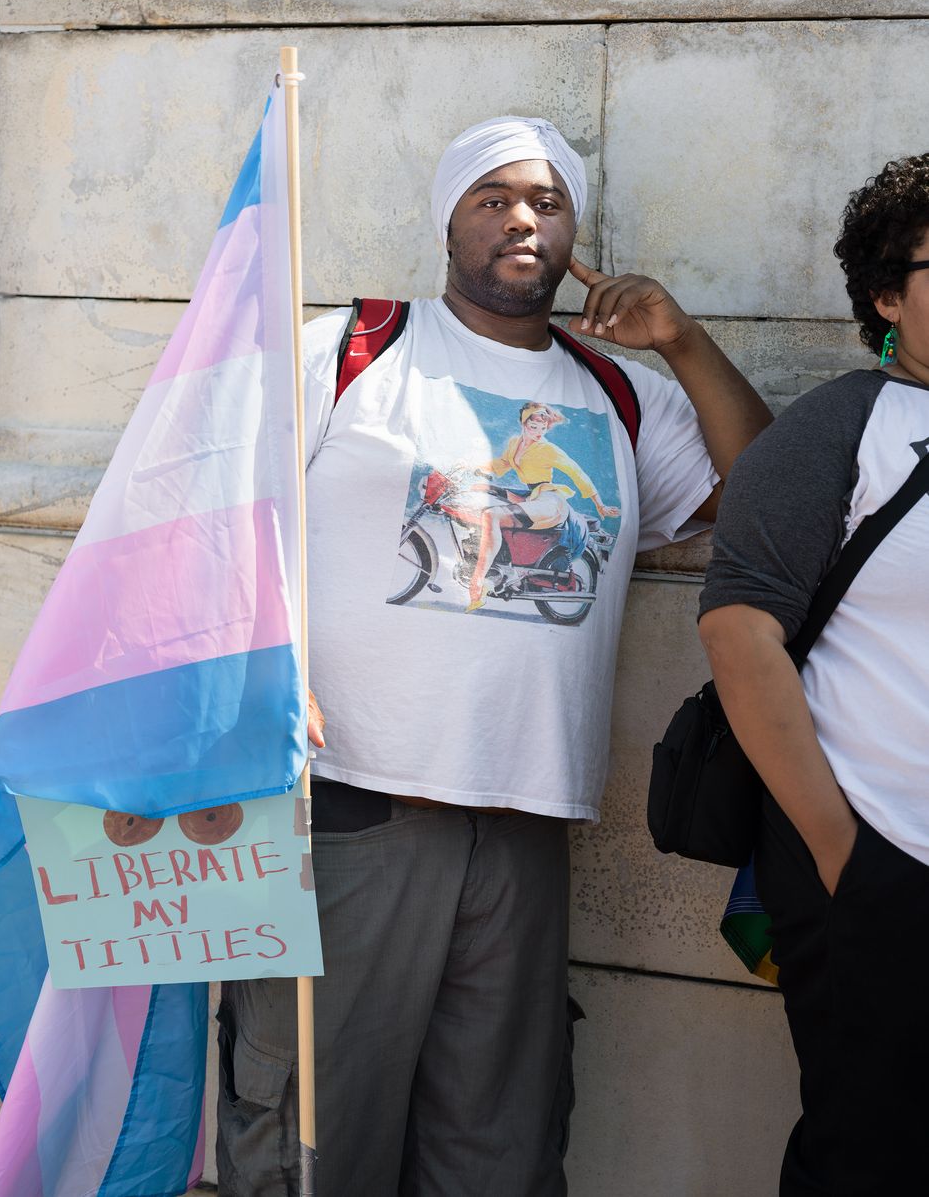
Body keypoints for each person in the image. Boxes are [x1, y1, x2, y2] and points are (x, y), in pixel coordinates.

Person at [216, 116, 771, 1197]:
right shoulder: (352, 348)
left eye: (547, 201)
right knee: (314, 1138)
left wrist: (682, 341)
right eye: (494, 198)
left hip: (526, 817)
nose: (523, 219)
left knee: (498, 1150)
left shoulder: (618, 393)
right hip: (350, 806)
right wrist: (258, 676)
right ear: (447, 224)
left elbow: (764, 498)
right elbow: (212, 510)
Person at [698, 152, 929, 1196]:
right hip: (883, 863)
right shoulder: (835, 431)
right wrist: (845, 857)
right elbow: (739, 635)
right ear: (886, 294)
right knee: (870, 1152)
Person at [453, 399, 620, 611]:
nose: (539, 432)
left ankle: (478, 583)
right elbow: (501, 464)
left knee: (491, 516)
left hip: (550, 502)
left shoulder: (547, 449)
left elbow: (577, 472)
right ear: (523, 424)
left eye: (542, 428)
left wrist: (600, 505)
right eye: (533, 427)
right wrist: (471, 467)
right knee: (486, 509)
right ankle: (499, 570)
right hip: (532, 497)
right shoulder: (515, 443)